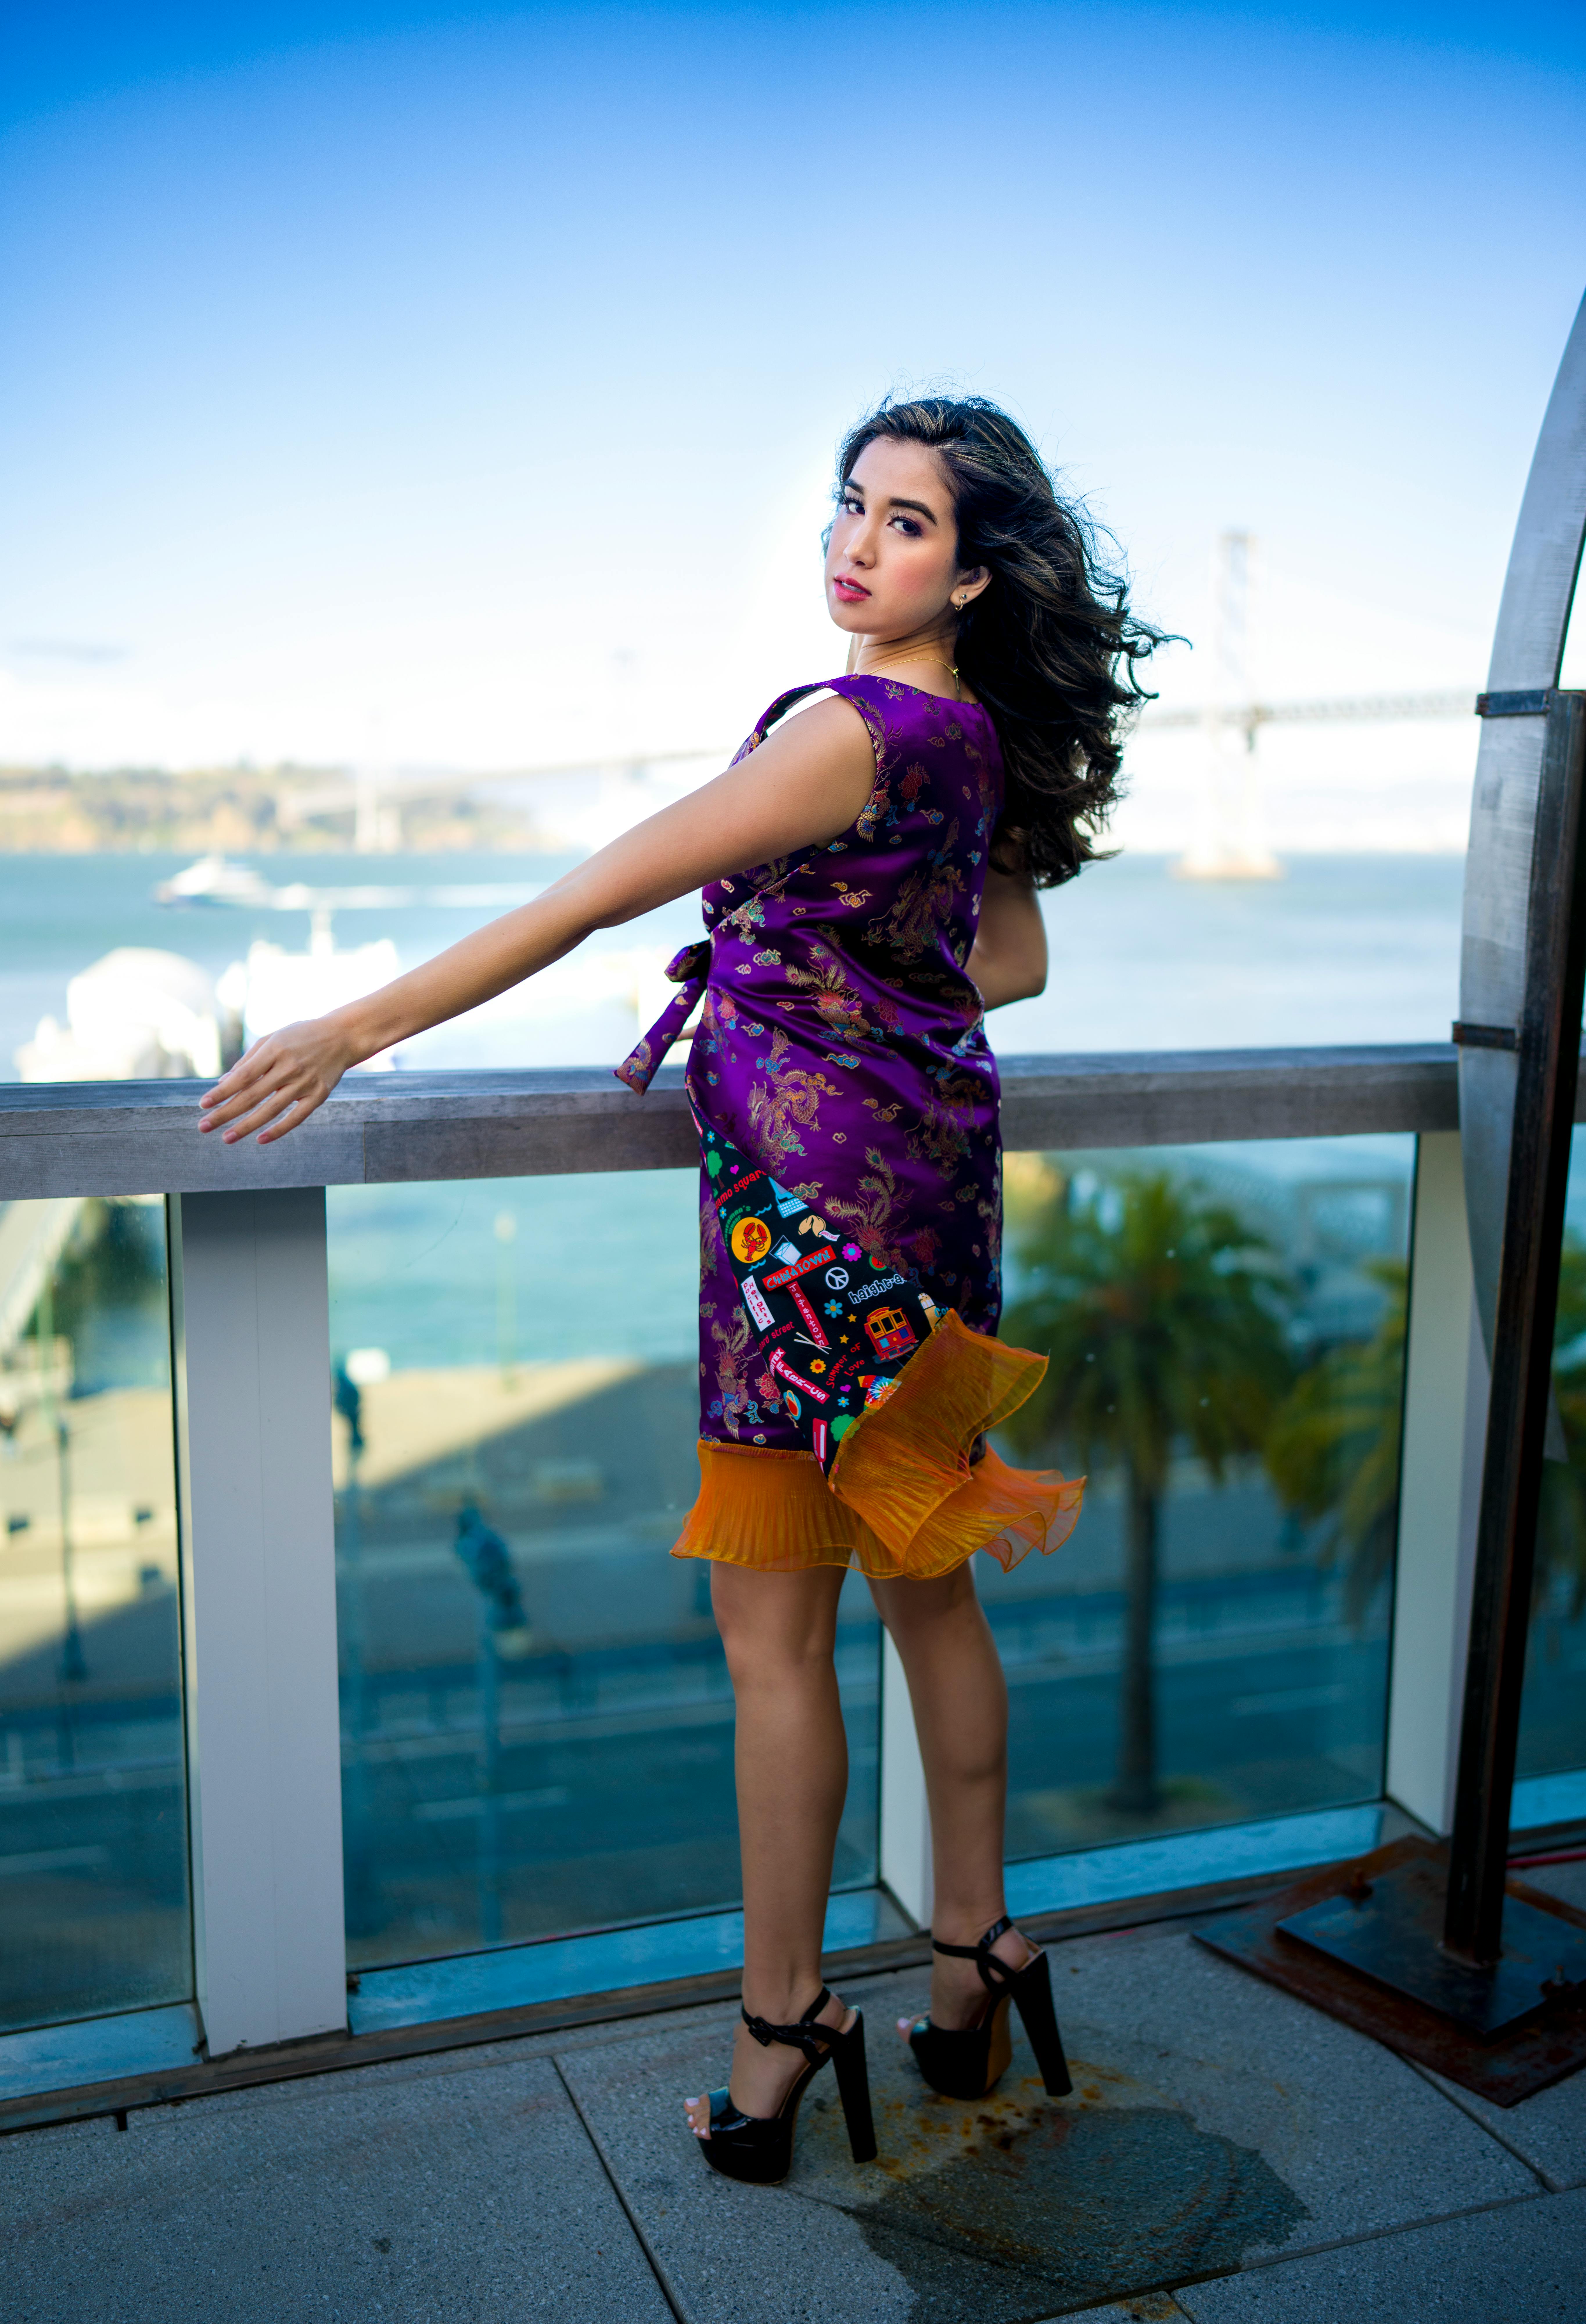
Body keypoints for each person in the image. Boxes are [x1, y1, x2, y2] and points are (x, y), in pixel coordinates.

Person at [197, 394, 1161, 2185]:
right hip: (930, 1192)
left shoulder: (842, 727)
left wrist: (350, 1026)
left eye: (903, 524)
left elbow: (582, 903)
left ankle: (783, 2021)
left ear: (970, 565)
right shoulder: (972, 739)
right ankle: (976, 1957)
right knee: (929, 1591)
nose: (854, 546)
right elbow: (1004, 964)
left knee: (772, 1639)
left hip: (802, 1234)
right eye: (849, 509)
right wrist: (840, 982)